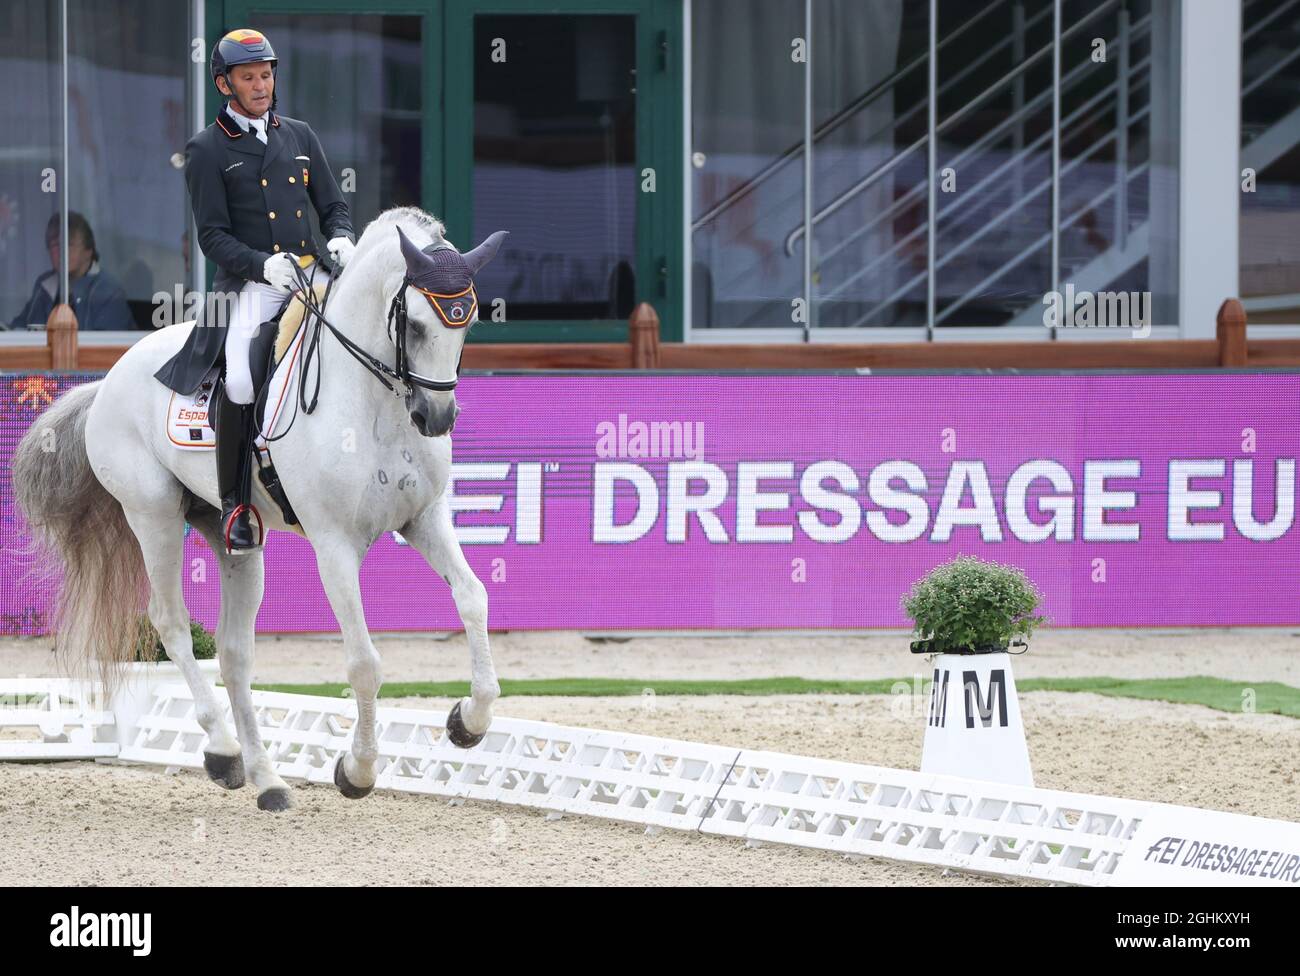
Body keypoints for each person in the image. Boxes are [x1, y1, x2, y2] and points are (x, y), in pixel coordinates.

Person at [153, 28, 355, 554]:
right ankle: (236, 505)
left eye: (266, 74)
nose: (261, 85)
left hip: (314, 271)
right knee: (241, 380)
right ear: (226, 83)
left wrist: (341, 238)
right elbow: (212, 237)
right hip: (255, 282)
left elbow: (333, 205)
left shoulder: (300, 134)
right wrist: (264, 267)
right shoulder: (206, 149)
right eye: (249, 77)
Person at [7, 212, 133, 331]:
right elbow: (20, 329)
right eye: (55, 245)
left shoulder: (109, 291)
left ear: (88, 251)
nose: (61, 250)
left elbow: (107, 347)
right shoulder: (44, 285)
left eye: (69, 244)